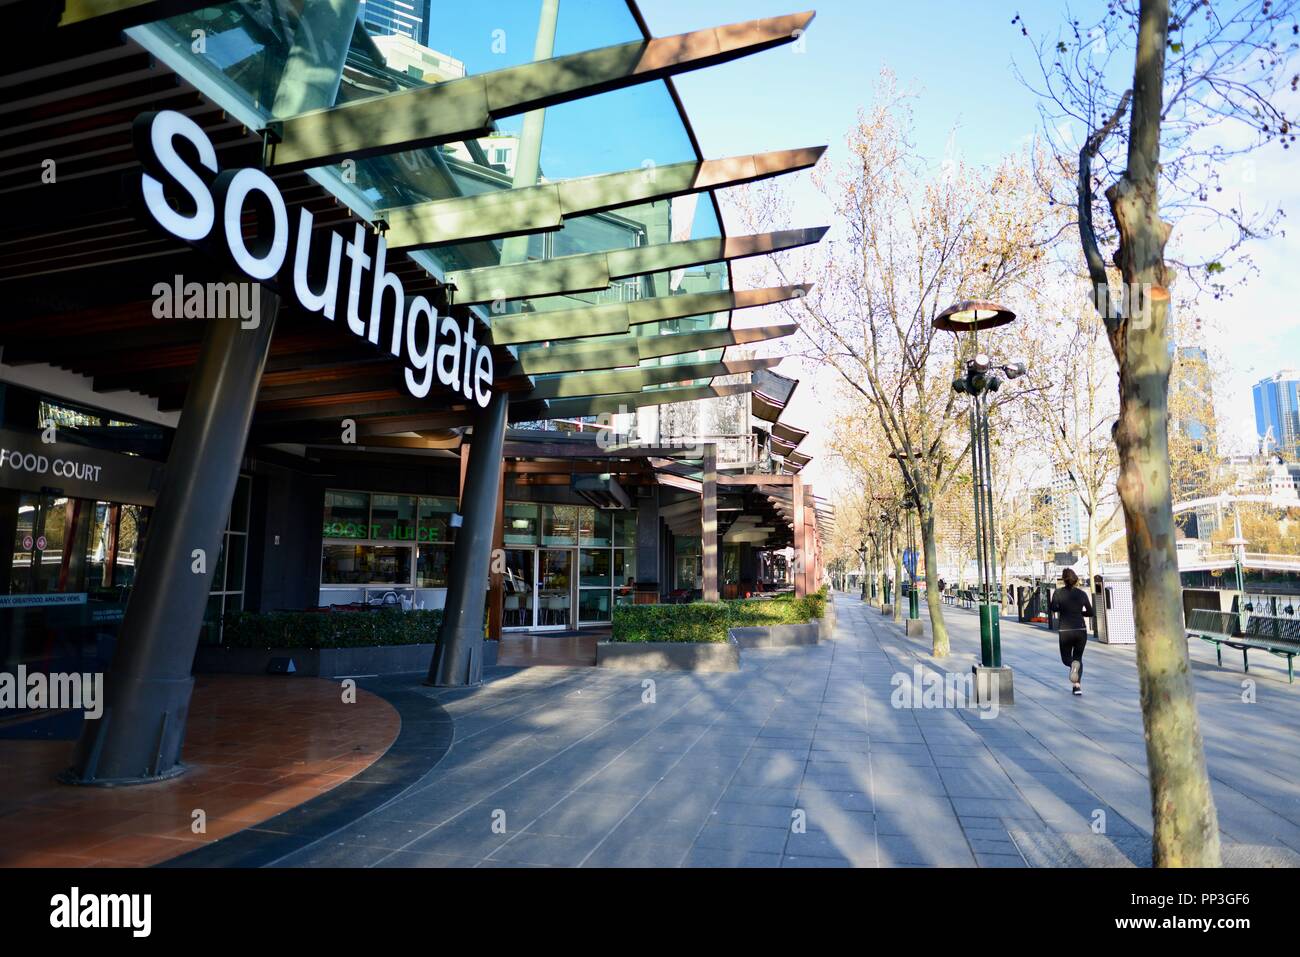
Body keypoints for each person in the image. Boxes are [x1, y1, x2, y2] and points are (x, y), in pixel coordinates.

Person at [1050, 568, 1093, 695]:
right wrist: (1080, 612)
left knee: (1066, 659)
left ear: (1063, 579)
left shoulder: (1058, 593)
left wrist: (1061, 608)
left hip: (1065, 630)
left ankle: (1073, 668)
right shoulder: (1082, 594)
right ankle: (1077, 686)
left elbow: (1053, 608)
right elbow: (1091, 612)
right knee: (1078, 659)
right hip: (1080, 630)